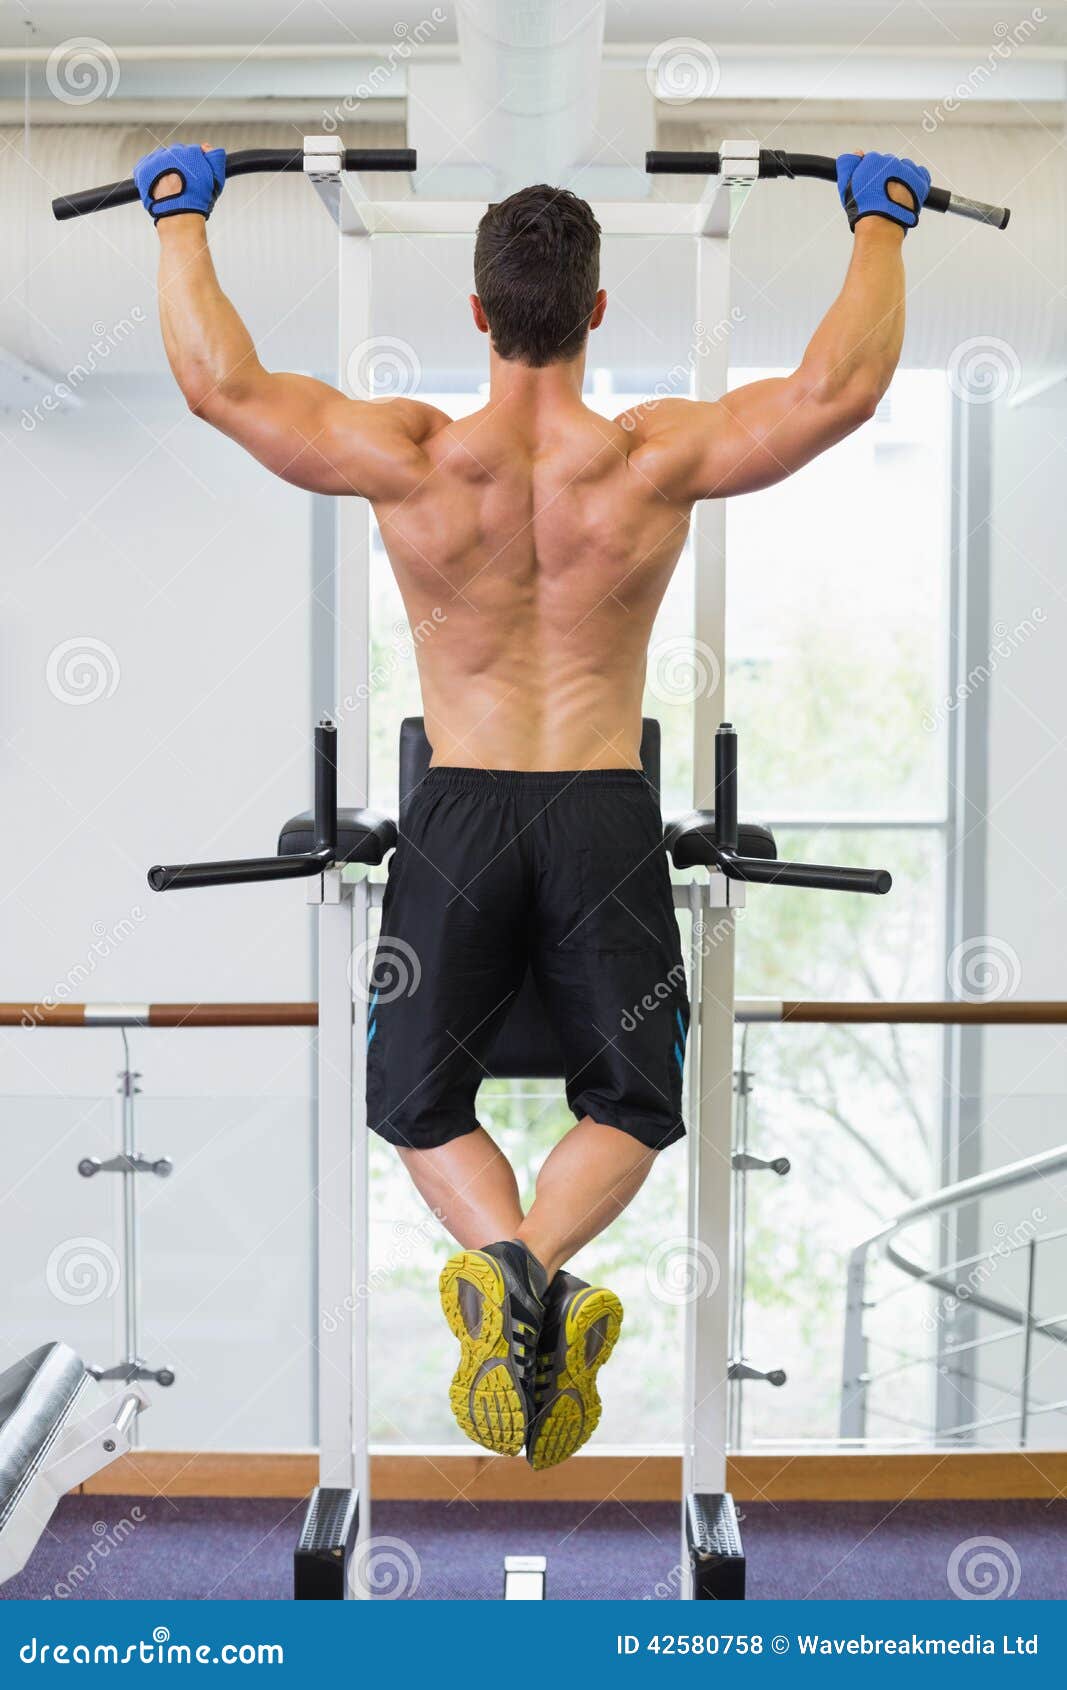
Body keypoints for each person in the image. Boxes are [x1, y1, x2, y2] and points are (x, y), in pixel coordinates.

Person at [133, 142, 929, 1469]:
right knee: (631, 1102)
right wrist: (881, 226)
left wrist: (178, 220)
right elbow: (835, 390)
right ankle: (533, 1269)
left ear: (478, 313)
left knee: (416, 1103)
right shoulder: (651, 456)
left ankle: (502, 1268)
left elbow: (221, 386)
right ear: (600, 312)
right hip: (604, 815)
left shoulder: (415, 457)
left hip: (458, 820)